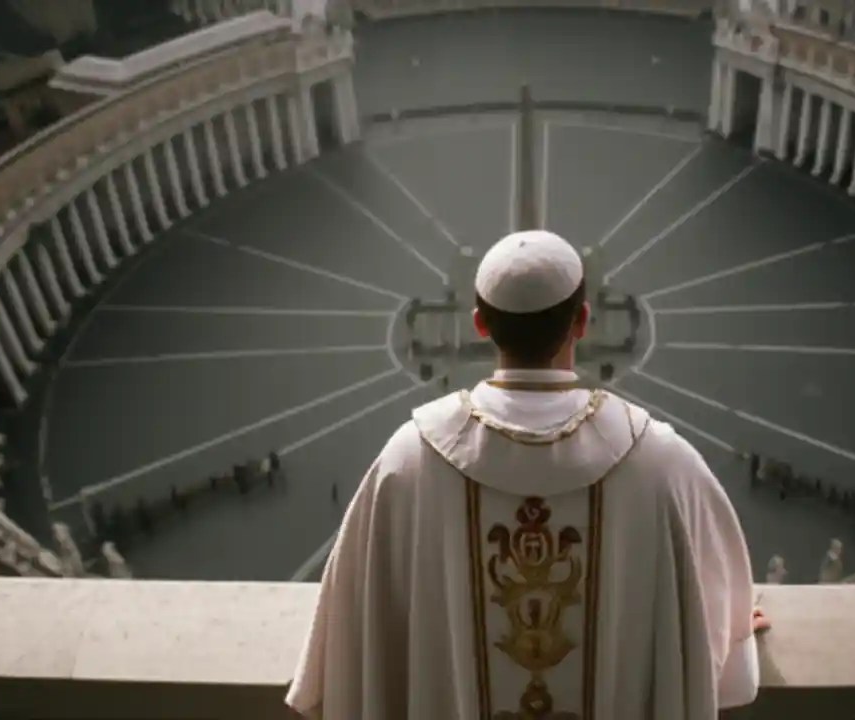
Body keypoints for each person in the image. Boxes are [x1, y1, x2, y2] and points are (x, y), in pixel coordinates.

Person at [287, 231, 766, 720]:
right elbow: (710, 615)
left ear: (479, 324)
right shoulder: (660, 459)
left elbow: (354, 625)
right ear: (581, 321)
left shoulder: (408, 459)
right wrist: (725, 621)